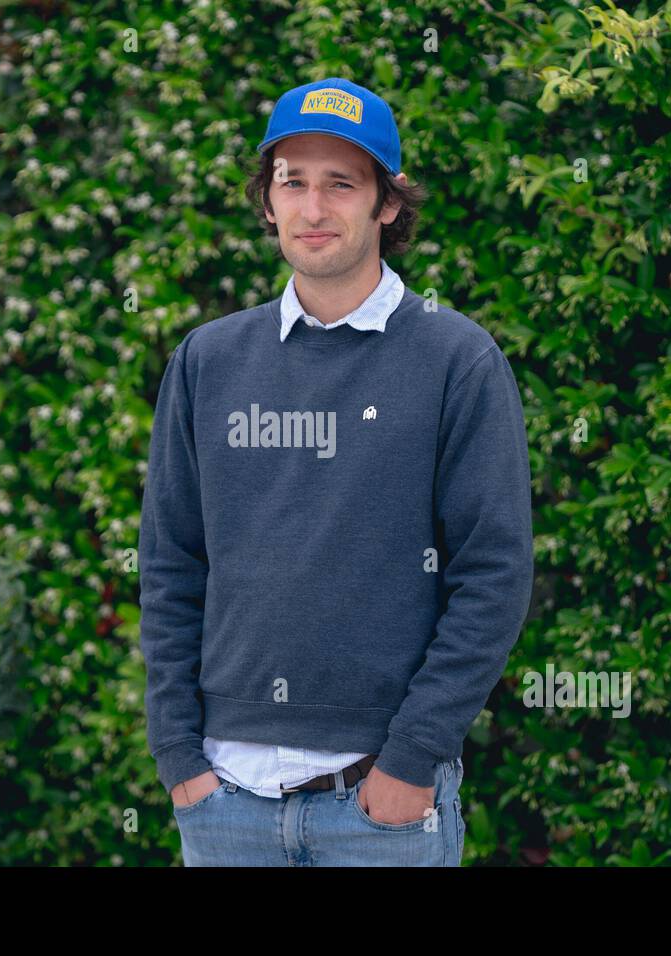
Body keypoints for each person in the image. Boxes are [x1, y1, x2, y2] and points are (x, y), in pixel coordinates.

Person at [138, 76, 533, 866]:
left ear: (387, 203)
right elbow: (170, 562)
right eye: (294, 183)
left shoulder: (456, 360)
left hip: (381, 811)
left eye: (340, 185)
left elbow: (492, 574)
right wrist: (179, 757)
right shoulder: (208, 361)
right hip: (224, 808)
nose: (313, 209)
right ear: (269, 200)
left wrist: (411, 761)